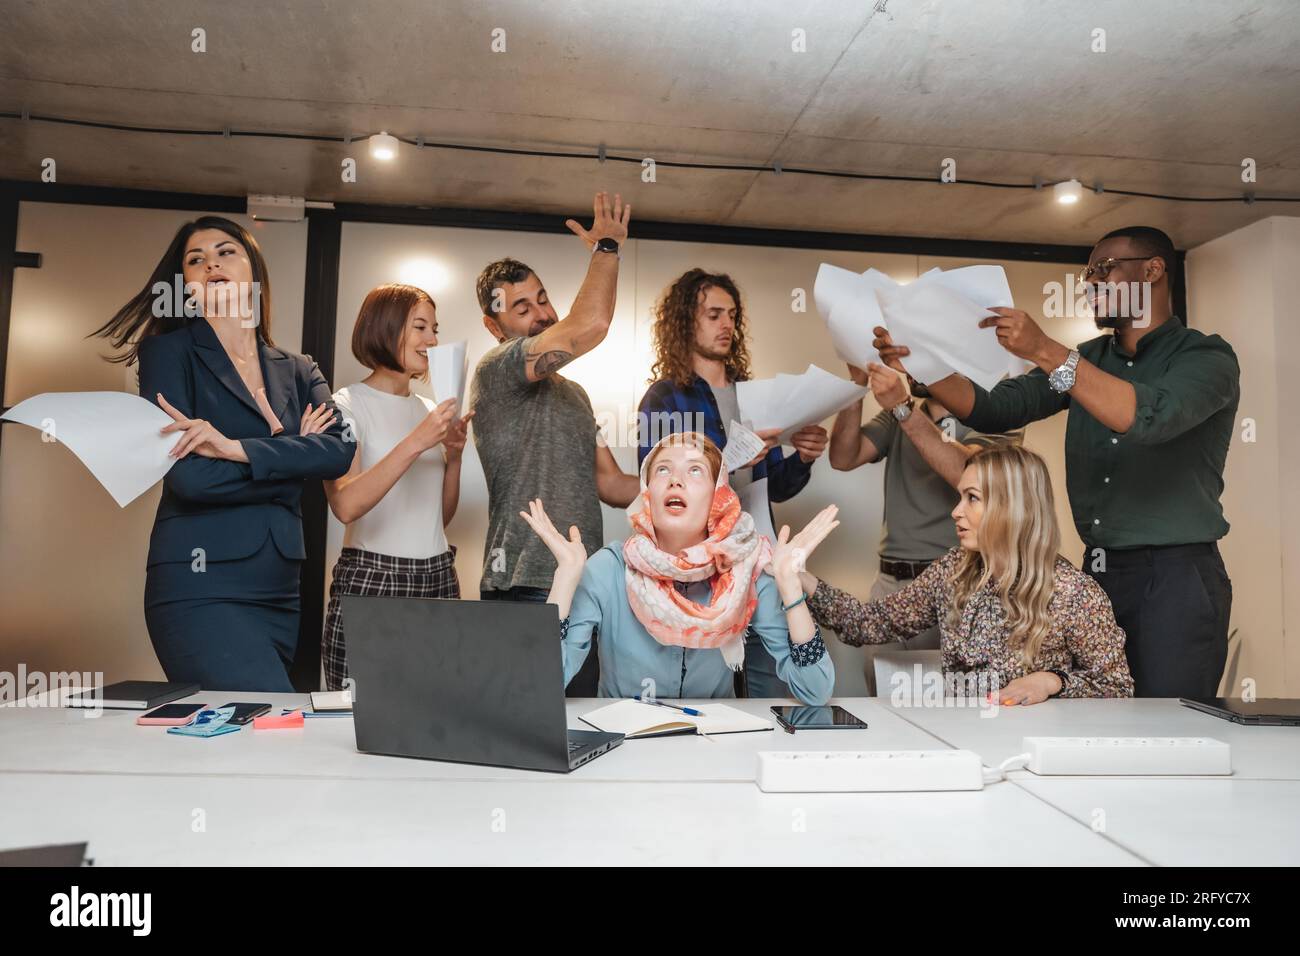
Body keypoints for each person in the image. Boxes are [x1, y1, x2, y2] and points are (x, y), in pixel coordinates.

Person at [873, 226, 1237, 699]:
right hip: (1099, 573)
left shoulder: (1206, 356)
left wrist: (1044, 350)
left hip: (1175, 578)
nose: (1090, 283)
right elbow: (992, 407)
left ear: (1152, 270)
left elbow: (1144, 416)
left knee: (1170, 725)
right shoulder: (1088, 358)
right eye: (1087, 274)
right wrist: (920, 364)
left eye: (1104, 270)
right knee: (1093, 719)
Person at [92, 216, 352, 691]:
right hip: (201, 587)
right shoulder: (167, 355)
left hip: (279, 591)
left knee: (243, 738)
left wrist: (233, 448)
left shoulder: (298, 368)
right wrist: (291, 457)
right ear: (186, 287)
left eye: (225, 251)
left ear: (253, 271)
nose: (211, 263)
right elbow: (190, 479)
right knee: (267, 727)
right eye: (196, 259)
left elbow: (338, 453)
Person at [789, 445, 1133, 703]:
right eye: (960, 497)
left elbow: (1118, 688)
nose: (956, 512)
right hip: (959, 738)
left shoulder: (1074, 593)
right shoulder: (953, 571)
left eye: (973, 498)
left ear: (1012, 508)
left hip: (1031, 747)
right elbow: (871, 622)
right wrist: (801, 577)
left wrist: (1052, 681)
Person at [469, 191, 640, 696]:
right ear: (494, 325)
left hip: (583, 583)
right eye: (522, 307)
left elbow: (610, 484)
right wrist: (607, 247)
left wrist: (692, 481)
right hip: (523, 584)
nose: (542, 313)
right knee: (523, 728)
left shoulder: (577, 395)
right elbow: (591, 326)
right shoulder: (497, 369)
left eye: (542, 298)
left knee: (577, 723)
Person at [519, 432, 834, 704]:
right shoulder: (608, 569)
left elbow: (815, 690)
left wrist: (790, 587)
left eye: (695, 471)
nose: (675, 479)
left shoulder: (745, 571)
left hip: (711, 751)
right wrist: (565, 579)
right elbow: (541, 683)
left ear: (718, 497)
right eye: (662, 470)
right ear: (648, 495)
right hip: (624, 750)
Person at [636, 268, 829, 697]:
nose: (727, 325)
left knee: (768, 681)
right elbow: (652, 484)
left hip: (757, 556)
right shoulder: (665, 398)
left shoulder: (753, 397)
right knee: (708, 686)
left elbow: (776, 487)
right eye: (713, 315)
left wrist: (803, 458)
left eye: (732, 316)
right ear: (686, 321)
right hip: (699, 566)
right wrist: (732, 456)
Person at [828, 360, 1021, 692]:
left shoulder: (994, 412)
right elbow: (843, 457)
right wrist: (855, 388)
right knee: (884, 703)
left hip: (960, 585)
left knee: (957, 706)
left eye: (919, 354)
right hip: (891, 584)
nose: (908, 367)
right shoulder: (897, 417)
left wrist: (904, 410)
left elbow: (968, 473)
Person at [320, 284, 472, 691]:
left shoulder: (427, 409)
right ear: (385, 329)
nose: (433, 340)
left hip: (438, 575)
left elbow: (437, 518)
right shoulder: (346, 404)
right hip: (373, 579)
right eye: (420, 327)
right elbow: (345, 503)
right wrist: (418, 441)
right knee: (360, 717)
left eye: (435, 329)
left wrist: (453, 456)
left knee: (437, 711)